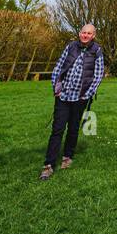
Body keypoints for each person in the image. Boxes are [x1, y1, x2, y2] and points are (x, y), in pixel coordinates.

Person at [41, 24, 104, 180]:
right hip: (63, 96)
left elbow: (98, 75)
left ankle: (67, 156)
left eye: (89, 33)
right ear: (79, 33)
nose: (85, 35)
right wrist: (56, 88)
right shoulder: (71, 47)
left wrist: (87, 94)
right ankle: (48, 165)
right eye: (83, 32)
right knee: (57, 129)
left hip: (80, 97)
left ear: (93, 35)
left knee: (74, 128)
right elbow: (58, 67)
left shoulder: (96, 51)